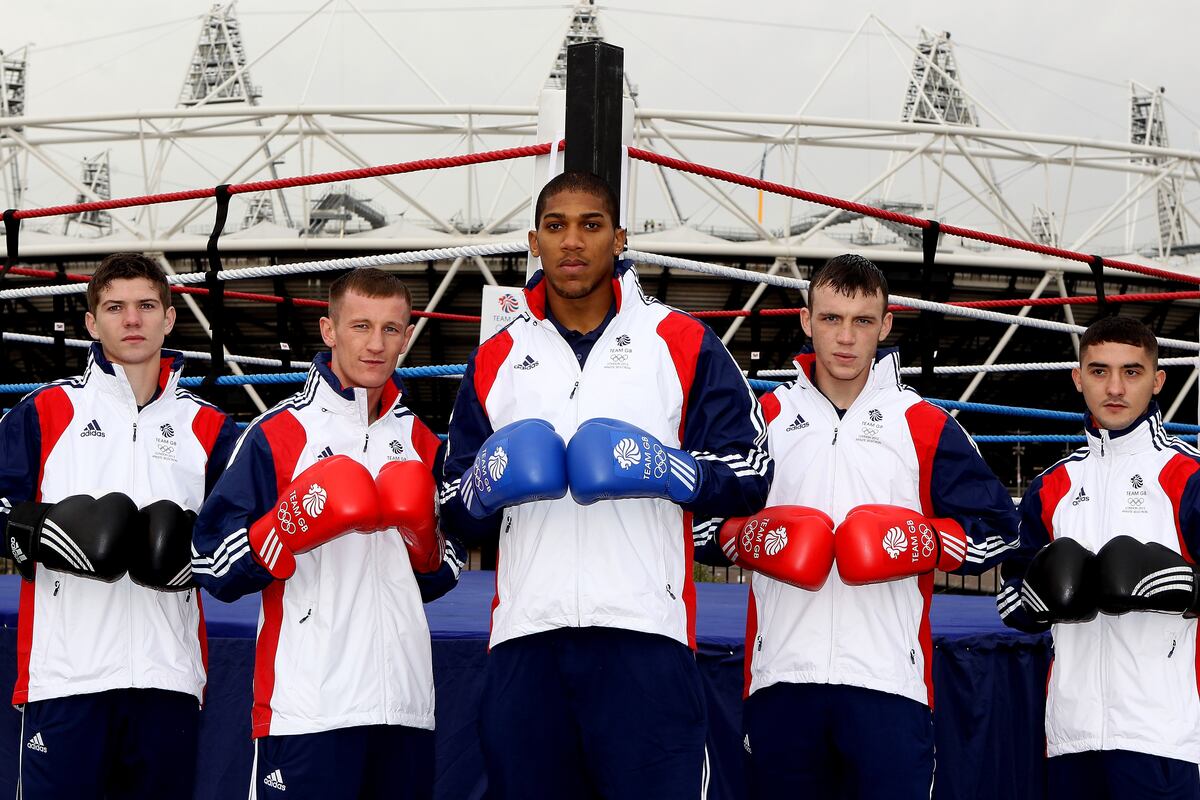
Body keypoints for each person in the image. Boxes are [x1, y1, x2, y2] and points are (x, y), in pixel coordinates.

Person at [439, 171, 772, 799]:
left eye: (590, 225)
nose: (573, 241)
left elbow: (752, 469)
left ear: (618, 238)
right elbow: (451, 504)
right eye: (557, 226)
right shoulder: (495, 359)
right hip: (526, 638)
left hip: (644, 634)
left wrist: (671, 469)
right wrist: (481, 490)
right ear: (533, 241)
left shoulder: (679, 342)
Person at [697, 253, 1020, 799]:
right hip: (782, 677)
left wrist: (922, 542)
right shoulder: (766, 418)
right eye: (831, 319)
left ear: (886, 326)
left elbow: (1001, 529)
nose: (846, 338)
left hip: (889, 682)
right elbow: (701, 522)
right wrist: (746, 538)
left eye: (862, 321)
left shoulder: (922, 423)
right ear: (806, 321)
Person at [191, 267, 464, 800]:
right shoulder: (278, 433)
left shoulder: (424, 442)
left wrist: (425, 546)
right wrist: (284, 526)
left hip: (404, 703)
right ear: (329, 330)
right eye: (361, 326)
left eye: (391, 329)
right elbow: (211, 565)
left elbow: (446, 569)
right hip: (308, 706)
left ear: (407, 336)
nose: (376, 344)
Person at [0, 252, 240, 798]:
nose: (132, 320)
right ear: (92, 322)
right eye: (115, 307)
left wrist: (196, 557)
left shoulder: (211, 429)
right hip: (65, 677)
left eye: (146, 306)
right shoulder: (44, 413)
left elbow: (243, 539)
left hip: (168, 678)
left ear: (169, 317)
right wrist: (46, 532)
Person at [997, 315, 1200, 799]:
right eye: (1098, 370)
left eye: (1131, 372)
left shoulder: (1186, 476)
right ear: (1077, 377)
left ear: (1158, 380)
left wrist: (1174, 585)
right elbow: (1008, 601)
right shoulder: (1052, 487)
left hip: (1165, 735)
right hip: (1072, 732)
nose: (1114, 387)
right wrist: (1041, 598)